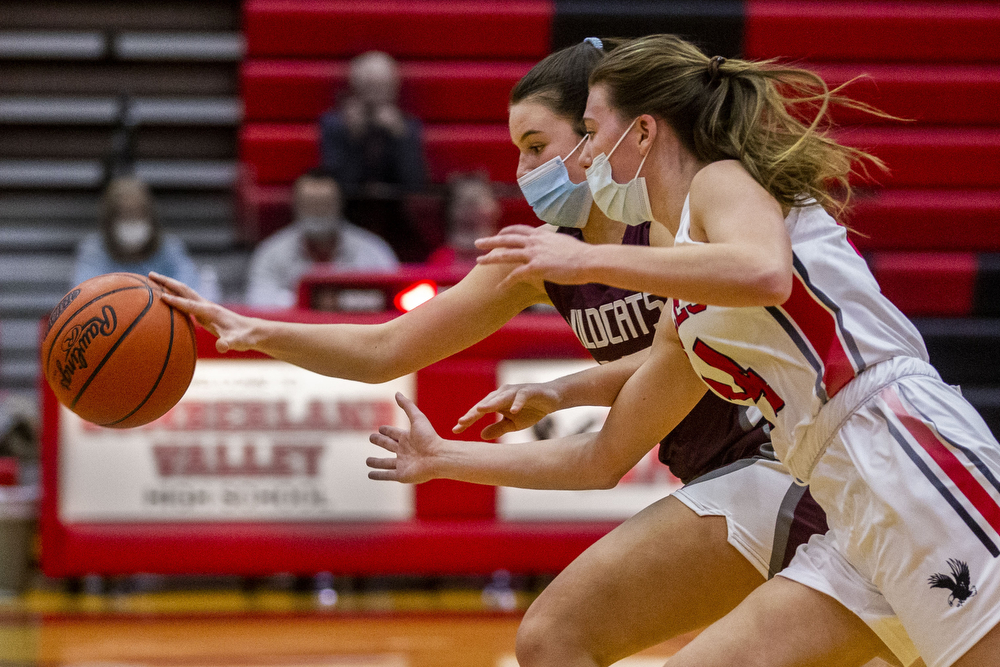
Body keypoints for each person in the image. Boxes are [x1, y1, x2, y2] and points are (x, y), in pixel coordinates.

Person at [152, 40, 898, 667]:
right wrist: (251, 329)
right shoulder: (547, 254)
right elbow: (386, 347)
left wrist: (572, 382)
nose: (524, 171)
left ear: (599, 131)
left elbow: (732, 314)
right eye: (516, 152)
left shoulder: (682, 213)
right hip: (721, 471)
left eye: (537, 146)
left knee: (555, 634)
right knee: (559, 638)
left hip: (785, 461)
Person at [390, 34, 1000, 666]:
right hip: (841, 494)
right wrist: (444, 457)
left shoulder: (723, 182)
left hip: (897, 447)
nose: (587, 152)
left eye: (594, 131)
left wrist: (584, 258)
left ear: (644, 133)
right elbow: (601, 456)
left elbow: (766, 272)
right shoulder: (686, 277)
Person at [319, 51, 430, 262]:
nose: (375, 95)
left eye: (381, 86)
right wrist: (353, 138)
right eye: (368, 85)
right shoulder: (334, 126)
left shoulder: (407, 128)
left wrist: (400, 138)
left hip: (395, 221)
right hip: (347, 220)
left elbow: (415, 184)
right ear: (355, 88)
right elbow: (337, 186)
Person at [244, 171, 398, 308]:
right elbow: (259, 303)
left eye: (324, 204)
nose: (317, 212)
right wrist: (314, 300)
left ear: (340, 205)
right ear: (296, 206)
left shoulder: (374, 251)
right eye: (309, 205)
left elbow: (392, 300)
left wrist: (339, 300)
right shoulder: (270, 253)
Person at [73, 176, 202, 292]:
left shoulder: (170, 248)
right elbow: (82, 293)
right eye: (126, 214)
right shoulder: (94, 250)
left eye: (138, 214)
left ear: (151, 216)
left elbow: (190, 291)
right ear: (109, 220)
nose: (132, 221)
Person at [427, 173, 502, 267]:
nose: (471, 208)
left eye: (479, 199)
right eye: (462, 201)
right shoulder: (440, 258)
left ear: (497, 208)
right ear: (449, 211)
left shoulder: (508, 254)